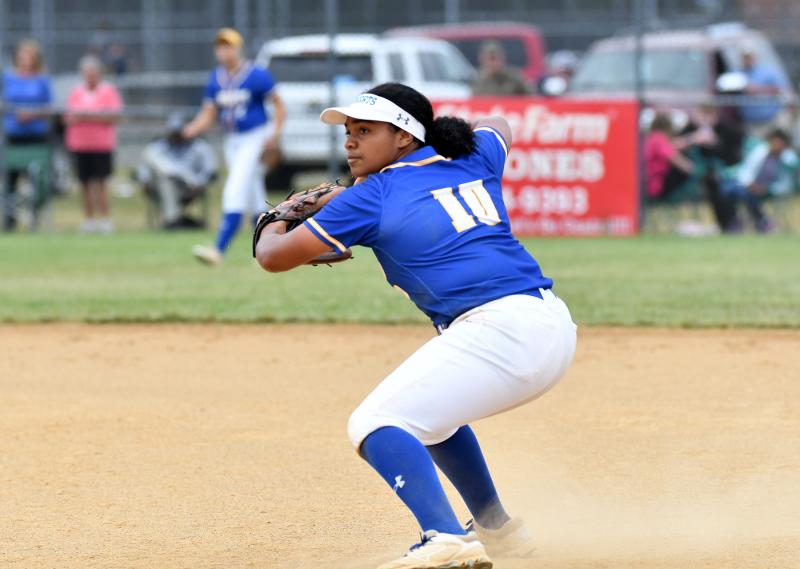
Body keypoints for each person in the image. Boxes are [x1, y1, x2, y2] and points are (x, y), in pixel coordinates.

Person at [254, 83, 577, 569]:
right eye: (348, 131)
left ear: (404, 137)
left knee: (374, 422)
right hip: (549, 323)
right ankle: (497, 529)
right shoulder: (473, 158)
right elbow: (499, 126)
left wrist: (276, 219)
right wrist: (451, 136)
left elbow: (273, 258)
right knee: (429, 417)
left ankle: (443, 536)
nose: (350, 142)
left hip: (499, 330)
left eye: (365, 131)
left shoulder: (372, 196)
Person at [183, 27, 286, 266]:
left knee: (235, 188)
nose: (223, 50)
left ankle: (218, 249)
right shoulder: (216, 78)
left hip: (254, 136)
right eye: (220, 46)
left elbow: (279, 105)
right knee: (254, 196)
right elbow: (208, 114)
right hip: (232, 140)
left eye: (228, 45)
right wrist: (190, 130)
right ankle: (273, 247)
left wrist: (275, 133)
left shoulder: (255, 75)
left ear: (238, 48)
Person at [64, 54, 124, 234]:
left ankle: (105, 218)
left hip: (102, 144)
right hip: (80, 144)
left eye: (93, 71)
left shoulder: (108, 90)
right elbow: (70, 116)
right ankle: (88, 219)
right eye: (86, 72)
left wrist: (87, 116)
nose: (90, 75)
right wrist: (95, 115)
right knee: (84, 183)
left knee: (102, 182)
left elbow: (113, 115)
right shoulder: (76, 91)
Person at [2, 39, 52, 232]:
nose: (25, 60)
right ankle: (9, 222)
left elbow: (49, 107)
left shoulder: (42, 80)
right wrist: (14, 112)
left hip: (35, 136)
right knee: (9, 178)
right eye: (22, 56)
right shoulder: (8, 78)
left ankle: (34, 218)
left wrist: (32, 113)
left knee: (36, 179)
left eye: (29, 56)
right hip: (12, 136)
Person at [136, 113, 218, 229]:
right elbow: (143, 171)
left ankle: (172, 221)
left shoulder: (199, 147)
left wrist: (200, 184)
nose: (176, 136)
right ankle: (174, 220)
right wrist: (145, 182)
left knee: (166, 176)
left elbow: (210, 171)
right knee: (163, 174)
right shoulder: (157, 148)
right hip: (160, 187)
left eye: (178, 133)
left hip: (189, 186)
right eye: (173, 133)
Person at [722, 128, 798, 233]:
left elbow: (787, 184)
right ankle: (753, 220)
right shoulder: (760, 152)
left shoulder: (789, 160)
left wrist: (768, 188)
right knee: (728, 189)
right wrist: (750, 183)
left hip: (770, 190)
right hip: (751, 186)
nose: (776, 144)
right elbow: (747, 170)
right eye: (773, 141)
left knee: (741, 192)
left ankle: (755, 220)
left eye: (779, 142)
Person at [739, 45, 788, 137]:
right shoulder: (737, 73)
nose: (747, 59)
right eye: (745, 57)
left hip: (771, 121)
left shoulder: (768, 71)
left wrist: (758, 89)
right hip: (750, 123)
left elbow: (780, 89)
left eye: (749, 56)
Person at [644, 112, 695, 201]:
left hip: (646, 185)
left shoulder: (650, 138)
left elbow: (674, 145)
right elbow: (683, 164)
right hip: (654, 187)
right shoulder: (658, 139)